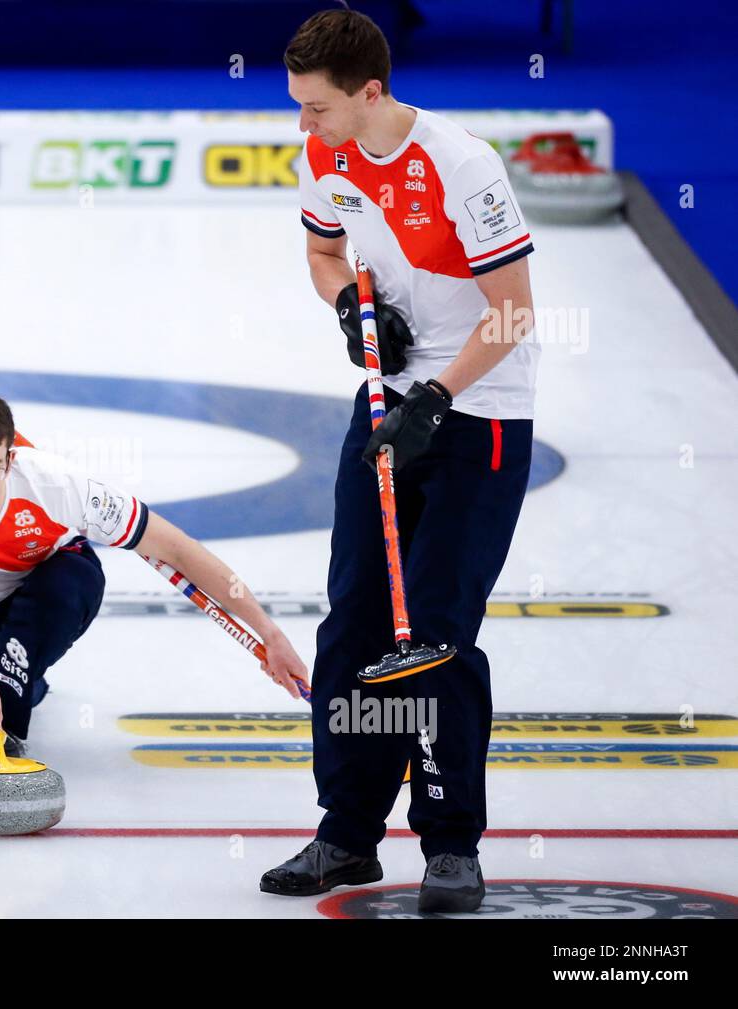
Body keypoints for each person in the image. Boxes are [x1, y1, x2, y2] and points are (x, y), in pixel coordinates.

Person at [260, 10, 538, 912]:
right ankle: (347, 833)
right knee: (356, 626)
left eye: (318, 108)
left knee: (434, 634)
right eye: (298, 107)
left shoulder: (462, 164)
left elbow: (513, 312)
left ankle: (451, 844)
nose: (305, 128)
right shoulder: (326, 158)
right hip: (386, 407)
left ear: (371, 92)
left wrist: (438, 397)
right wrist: (349, 305)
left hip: (478, 412)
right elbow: (320, 249)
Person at [0, 386, 310, 755]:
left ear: (12, 460)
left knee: (7, 685)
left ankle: (5, 739)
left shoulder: (56, 484)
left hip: (54, 581)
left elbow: (179, 550)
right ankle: (22, 684)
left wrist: (269, 634)